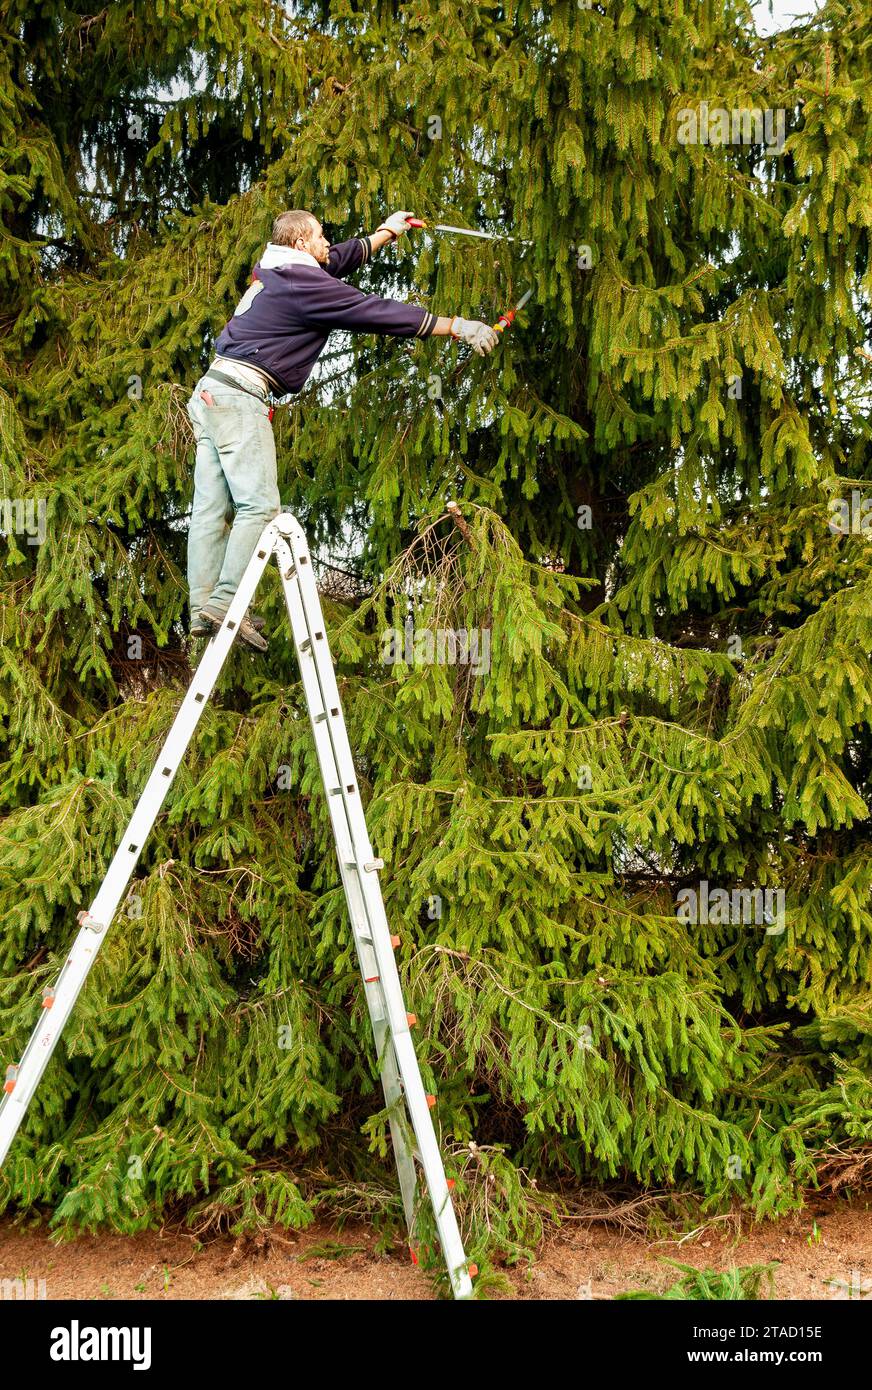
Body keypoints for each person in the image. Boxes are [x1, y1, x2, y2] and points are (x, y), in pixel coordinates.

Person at [185, 208, 500, 651]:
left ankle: (203, 606)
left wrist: (385, 233)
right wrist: (455, 327)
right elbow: (372, 311)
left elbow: (334, 259)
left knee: (210, 510)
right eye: (319, 235)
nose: (326, 242)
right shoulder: (305, 284)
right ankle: (226, 602)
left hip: (210, 394)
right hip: (240, 397)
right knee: (259, 506)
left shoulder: (277, 268)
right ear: (299, 244)